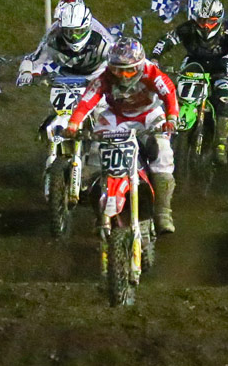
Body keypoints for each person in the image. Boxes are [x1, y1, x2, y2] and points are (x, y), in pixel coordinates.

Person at [63, 38, 180, 232]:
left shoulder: (151, 72)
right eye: (118, 70)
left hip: (149, 115)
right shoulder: (104, 77)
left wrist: (172, 118)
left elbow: (169, 92)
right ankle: (100, 212)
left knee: (164, 153)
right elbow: (88, 99)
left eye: (129, 70)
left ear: (140, 64)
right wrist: (74, 122)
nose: (123, 75)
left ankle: (162, 212)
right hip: (116, 116)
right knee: (95, 153)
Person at [151, 0, 228, 164]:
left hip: (219, 67)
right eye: (202, 20)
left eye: (210, 21)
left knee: (224, 99)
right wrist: (155, 58)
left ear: (218, 20)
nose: (205, 25)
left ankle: (221, 144)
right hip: (193, 65)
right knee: (174, 95)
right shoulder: (187, 29)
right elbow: (166, 40)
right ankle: (164, 136)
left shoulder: (227, 31)